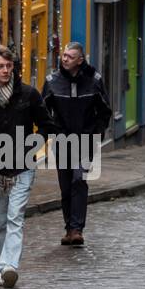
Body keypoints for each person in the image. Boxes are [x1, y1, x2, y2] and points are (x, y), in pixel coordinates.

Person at [0, 44, 55, 289]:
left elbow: (46, 125)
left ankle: (10, 268)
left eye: (9, 66)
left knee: (16, 217)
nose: (5, 70)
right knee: (1, 221)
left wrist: (31, 148)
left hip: (24, 167)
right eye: (0, 66)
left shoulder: (28, 94)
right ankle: (2, 267)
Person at [41, 42, 112, 247]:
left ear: (80, 60)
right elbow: (43, 111)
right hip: (62, 141)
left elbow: (105, 111)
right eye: (64, 55)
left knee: (78, 180)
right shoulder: (52, 81)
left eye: (70, 57)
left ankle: (77, 229)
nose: (65, 59)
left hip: (85, 140)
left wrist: (96, 132)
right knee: (65, 186)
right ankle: (69, 228)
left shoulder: (94, 80)